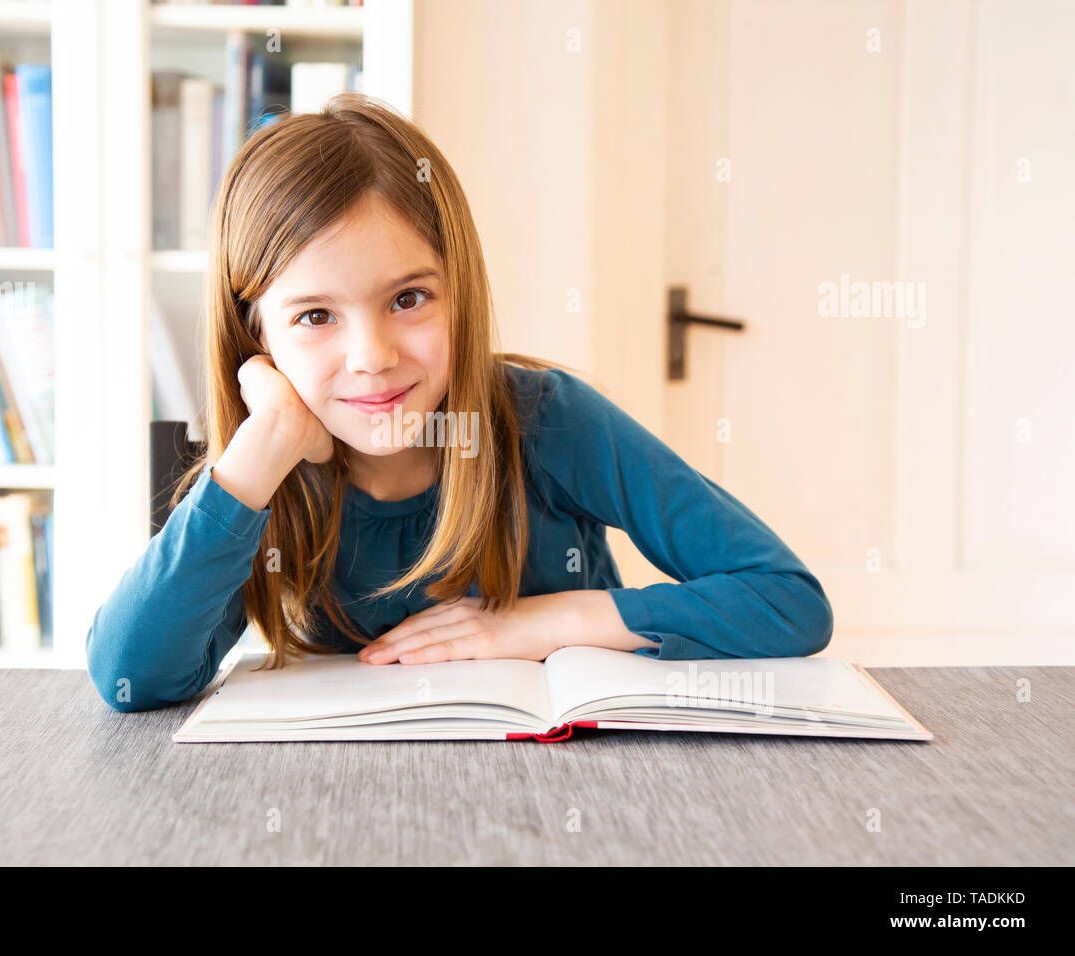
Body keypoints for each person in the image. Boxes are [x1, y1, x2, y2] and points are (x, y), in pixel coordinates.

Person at [86, 93, 832, 713]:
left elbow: (788, 600)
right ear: (257, 335)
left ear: (458, 292)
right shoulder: (266, 474)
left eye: (407, 298)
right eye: (315, 317)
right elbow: (132, 676)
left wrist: (548, 622)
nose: (373, 357)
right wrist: (263, 444)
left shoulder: (547, 418)